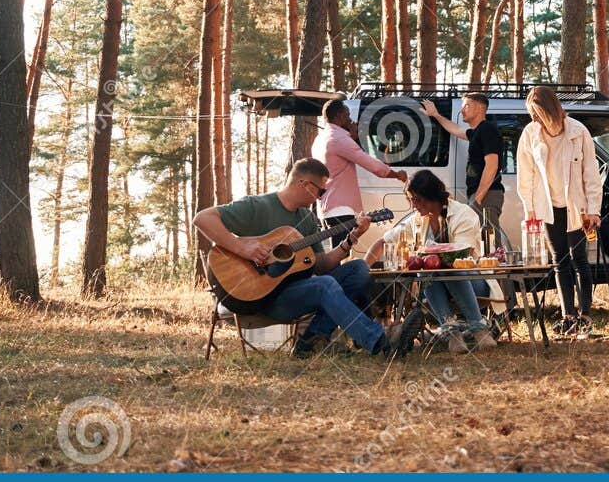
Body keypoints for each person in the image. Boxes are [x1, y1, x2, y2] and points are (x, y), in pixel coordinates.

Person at [193, 158, 414, 358]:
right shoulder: (257, 206)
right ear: (304, 184)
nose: (321, 197)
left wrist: (350, 239)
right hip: (261, 299)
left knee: (357, 270)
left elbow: (321, 266)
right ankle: (381, 340)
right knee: (324, 285)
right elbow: (203, 218)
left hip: (297, 295)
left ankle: (310, 342)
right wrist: (242, 248)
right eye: (321, 192)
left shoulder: (306, 219)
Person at [368, 171, 498, 353]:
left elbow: (462, 254)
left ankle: (479, 329)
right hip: (434, 284)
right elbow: (384, 242)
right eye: (411, 200)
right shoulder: (418, 221)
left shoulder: (462, 214)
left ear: (431, 196)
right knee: (427, 271)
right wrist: (365, 267)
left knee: (444, 268)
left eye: (417, 200)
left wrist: (430, 254)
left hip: (472, 282)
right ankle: (452, 333)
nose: (413, 206)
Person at [515, 85, 601, 338]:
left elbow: (590, 173)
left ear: (551, 109)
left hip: (577, 206)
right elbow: (526, 176)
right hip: (548, 207)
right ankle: (568, 316)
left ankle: (585, 315)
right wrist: (530, 210)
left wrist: (593, 210)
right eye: (532, 113)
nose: (534, 118)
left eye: (538, 112)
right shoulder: (530, 133)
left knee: (580, 260)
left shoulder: (578, 131)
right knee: (559, 262)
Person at [313, 99, 408, 245]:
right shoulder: (339, 139)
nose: (350, 119)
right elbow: (375, 167)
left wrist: (351, 137)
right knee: (340, 254)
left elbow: (338, 155)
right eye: (347, 115)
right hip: (341, 209)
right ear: (339, 116)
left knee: (338, 254)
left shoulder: (322, 138)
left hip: (327, 207)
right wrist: (397, 175)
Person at [420, 94, 505, 234]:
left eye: (466, 106)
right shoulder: (477, 132)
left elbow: (492, 165)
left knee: (489, 242)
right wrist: (435, 115)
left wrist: (478, 198)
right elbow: (455, 129)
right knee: (480, 241)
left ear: (479, 108)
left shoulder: (487, 129)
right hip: (481, 195)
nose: (461, 110)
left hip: (487, 195)